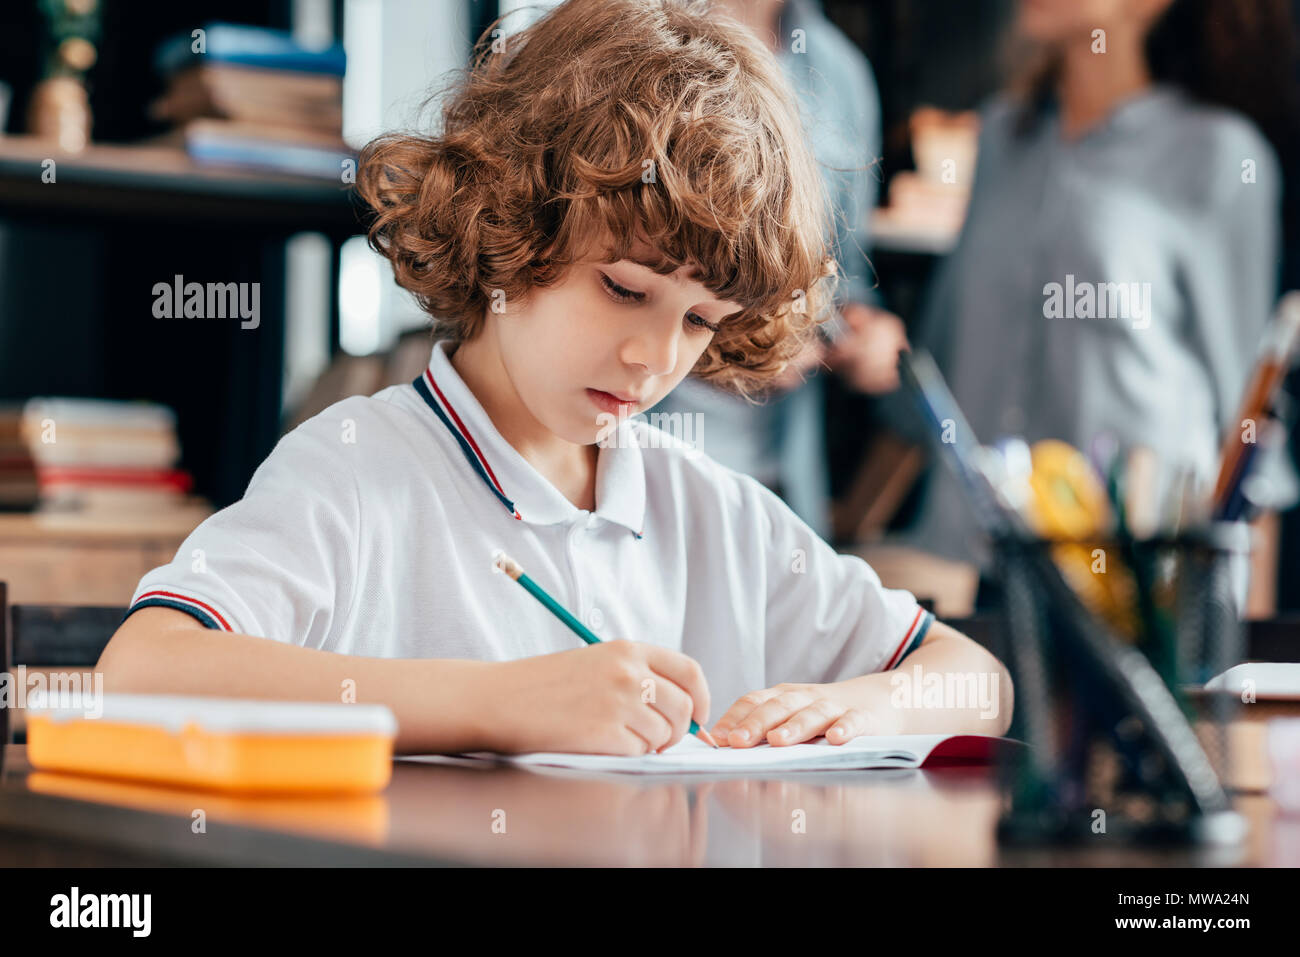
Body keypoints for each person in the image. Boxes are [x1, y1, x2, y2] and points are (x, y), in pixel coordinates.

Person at [98, 0, 1012, 756]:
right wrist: (499, 702)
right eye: (623, 288)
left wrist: (868, 712)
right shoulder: (355, 469)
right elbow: (139, 673)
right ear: (508, 224)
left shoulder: (711, 514)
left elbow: (977, 679)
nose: (656, 360)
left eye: (699, 320)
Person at [895, 0, 1298, 582]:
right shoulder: (1004, 136)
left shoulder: (1217, 155)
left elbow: (1250, 430)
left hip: (1135, 588)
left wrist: (1239, 656)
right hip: (975, 578)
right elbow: (935, 374)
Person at [649, 0, 908, 538]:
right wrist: (737, 344)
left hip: (780, 484)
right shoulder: (626, 40)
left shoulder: (841, 75)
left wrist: (864, 334)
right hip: (643, 463)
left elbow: (846, 279)